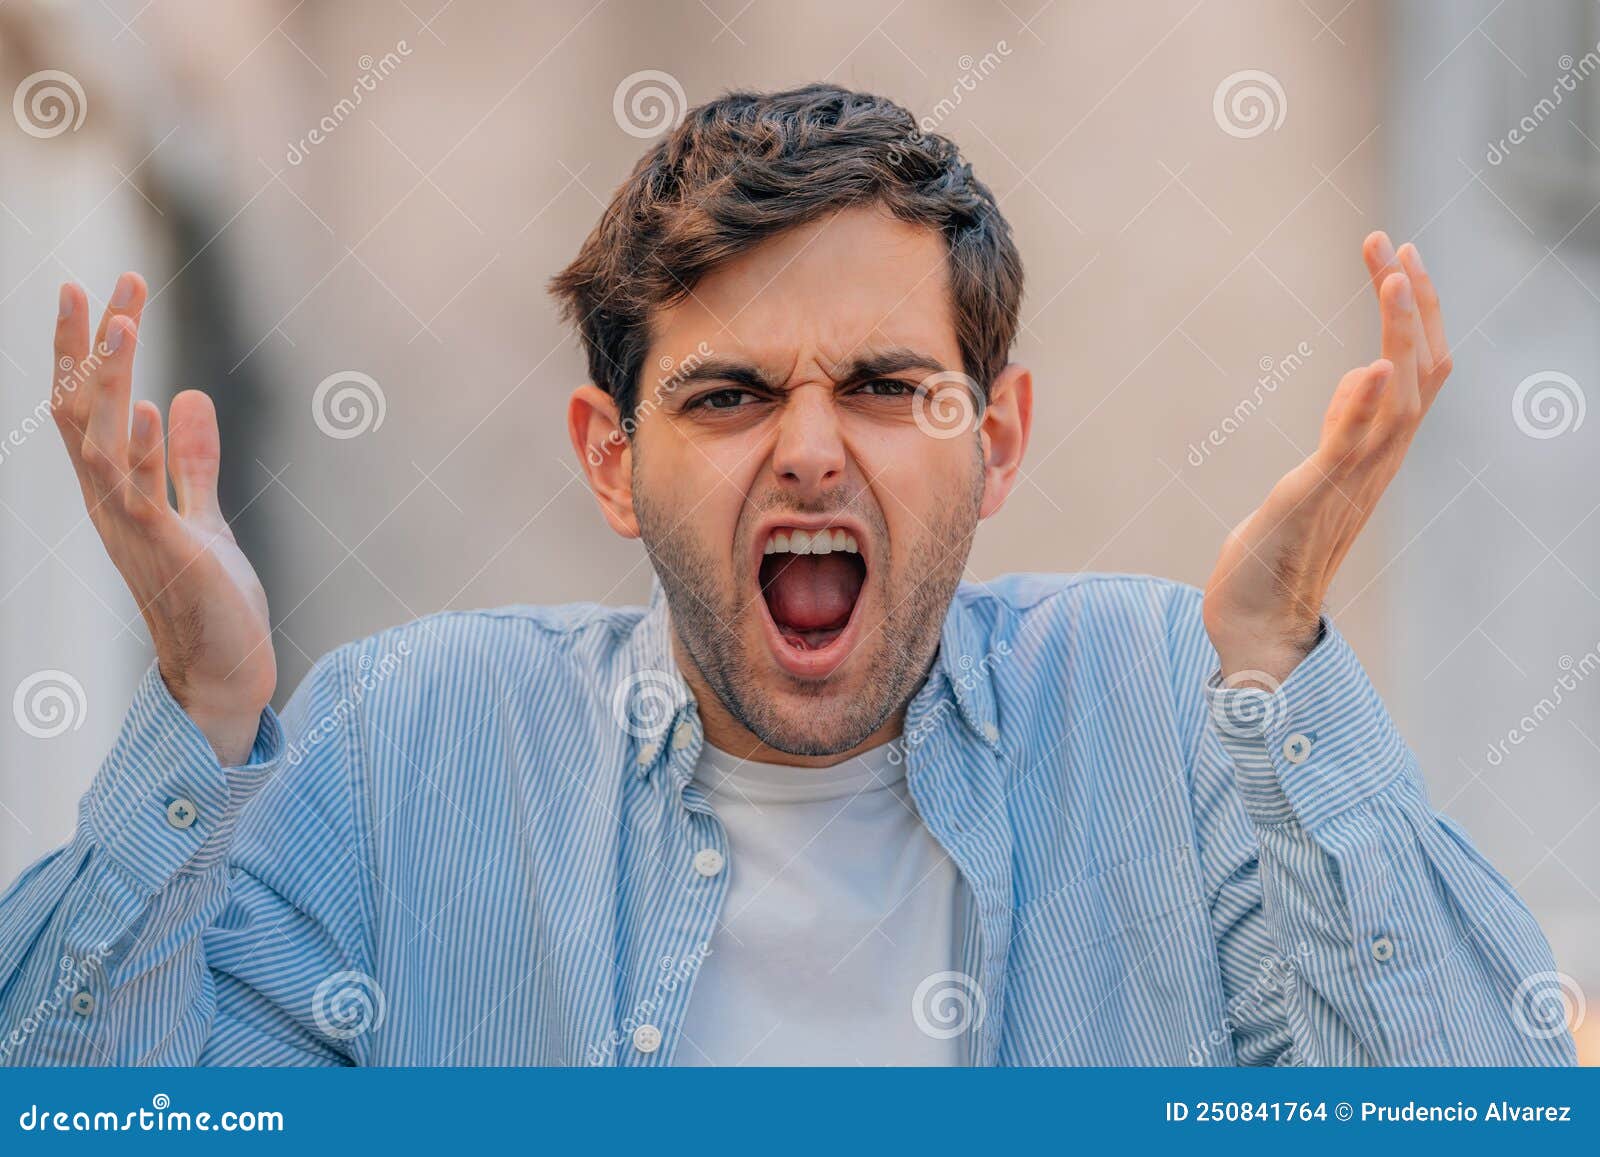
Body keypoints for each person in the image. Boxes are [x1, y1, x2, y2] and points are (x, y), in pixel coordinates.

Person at [0, 83, 1574, 1066]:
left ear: (997, 437)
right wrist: (204, 718)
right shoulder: (406, 745)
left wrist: (1279, 669)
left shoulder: (1168, 712)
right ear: (613, 457)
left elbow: (1468, 1108)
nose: (813, 453)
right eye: (730, 394)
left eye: (887, 386)